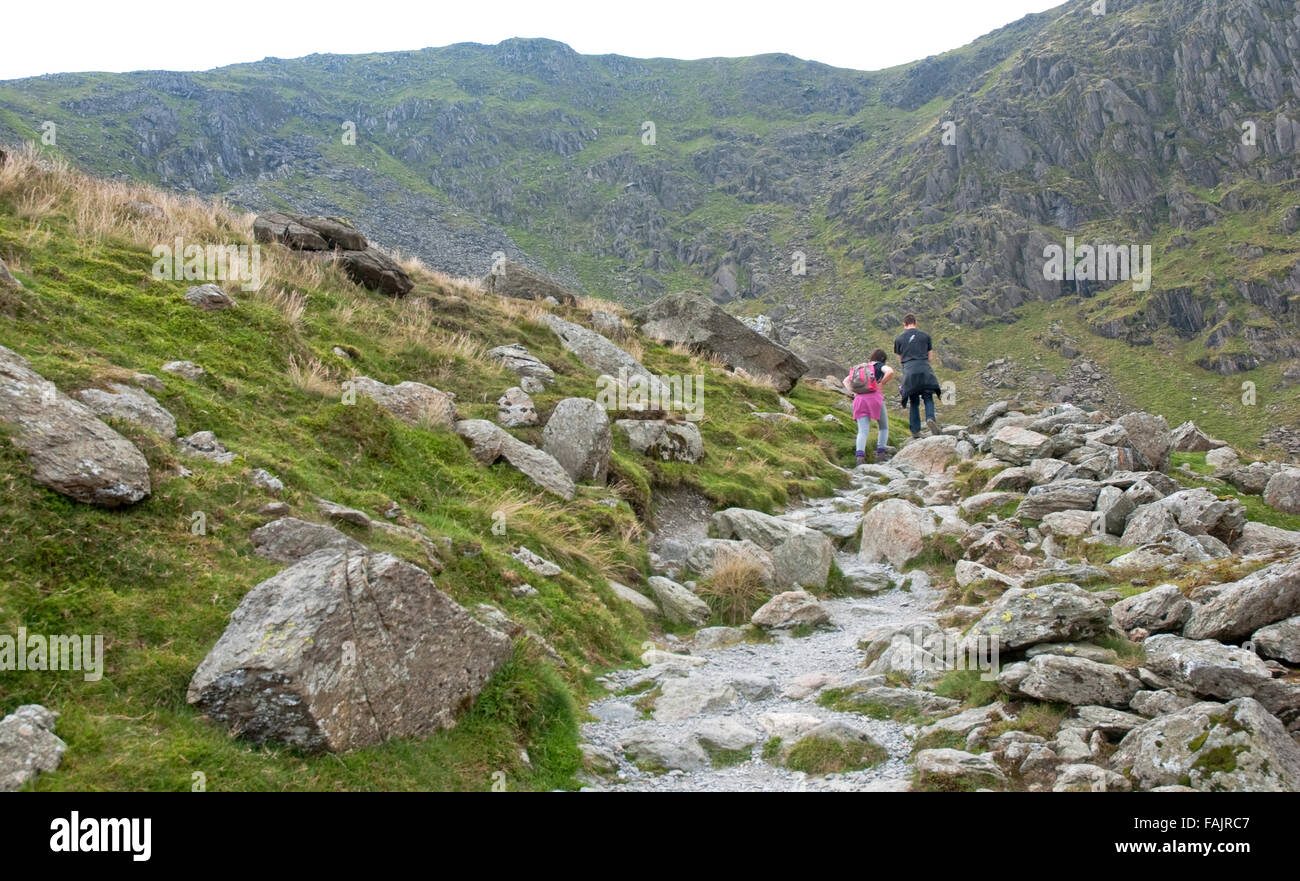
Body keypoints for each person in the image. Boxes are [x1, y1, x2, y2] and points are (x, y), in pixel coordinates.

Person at [893, 313, 942, 438]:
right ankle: (930, 419)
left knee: (914, 401)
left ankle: (915, 430)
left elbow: (900, 360)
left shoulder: (898, 339)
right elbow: (930, 357)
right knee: (928, 397)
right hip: (924, 369)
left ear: (904, 324)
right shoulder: (925, 336)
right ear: (916, 322)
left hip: (909, 372)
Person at [842, 350, 894, 465]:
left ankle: (859, 458)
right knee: (883, 427)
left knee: (862, 431)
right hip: (875, 398)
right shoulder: (880, 366)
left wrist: (853, 392)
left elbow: (845, 381)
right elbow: (890, 372)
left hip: (859, 400)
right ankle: (880, 454)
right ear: (882, 359)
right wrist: (882, 383)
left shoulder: (861, 368)